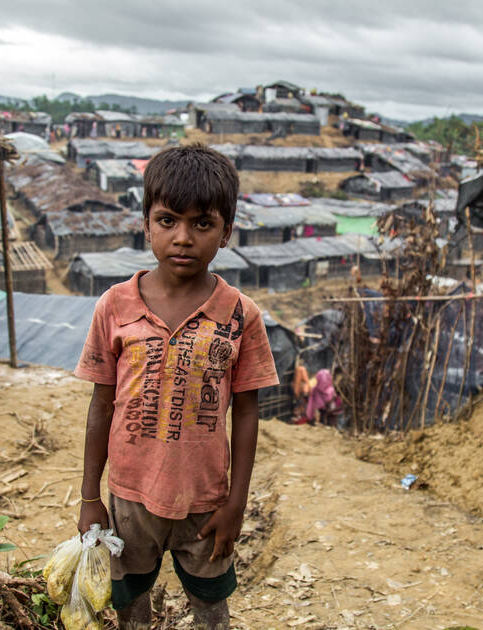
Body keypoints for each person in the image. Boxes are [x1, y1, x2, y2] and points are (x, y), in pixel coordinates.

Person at [75, 145, 278, 630]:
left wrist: (236, 504)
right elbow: (102, 404)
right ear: (146, 223)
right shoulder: (115, 306)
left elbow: (246, 412)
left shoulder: (239, 315)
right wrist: (89, 496)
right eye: (167, 221)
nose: (182, 238)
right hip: (129, 495)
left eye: (202, 224)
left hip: (206, 500)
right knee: (131, 608)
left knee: (212, 609)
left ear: (226, 231)